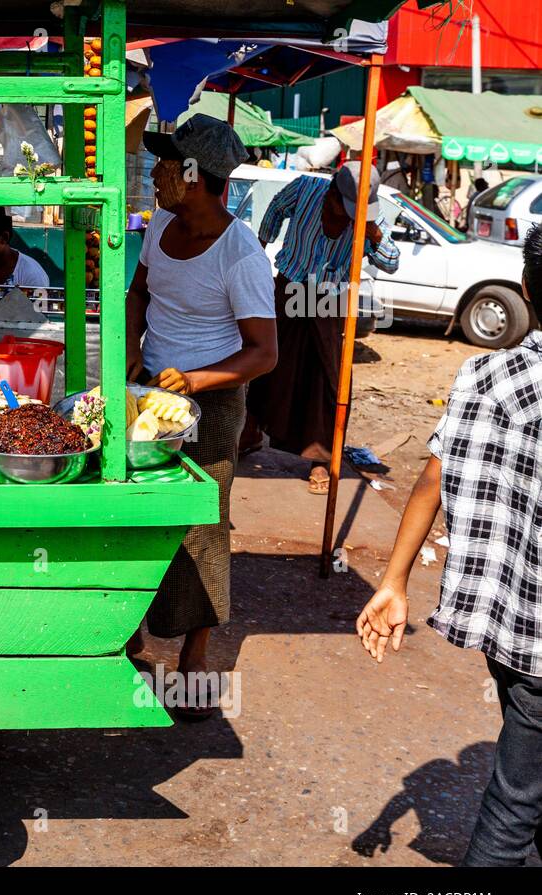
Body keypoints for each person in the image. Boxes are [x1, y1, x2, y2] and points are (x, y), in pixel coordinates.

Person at [357, 223, 542, 866]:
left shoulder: (481, 372)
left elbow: (433, 476)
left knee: (530, 779)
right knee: (515, 805)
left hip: (502, 627)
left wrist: (394, 581)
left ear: (526, 289)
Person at [125, 114, 277, 715]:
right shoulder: (160, 222)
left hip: (211, 403)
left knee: (203, 525)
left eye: (165, 164)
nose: (155, 172)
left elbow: (264, 353)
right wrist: (134, 353)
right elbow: (140, 291)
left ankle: (195, 657)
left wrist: (194, 380)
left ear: (193, 174)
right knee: (137, 511)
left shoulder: (240, 255)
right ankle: (129, 632)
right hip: (150, 388)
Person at [243, 163, 400, 493]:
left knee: (329, 379)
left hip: (331, 298)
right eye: (345, 207)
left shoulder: (371, 216)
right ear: (331, 194)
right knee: (266, 363)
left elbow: (392, 261)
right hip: (289, 288)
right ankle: (252, 430)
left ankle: (322, 459)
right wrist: (261, 245)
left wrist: (372, 232)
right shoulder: (305, 189)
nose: (349, 215)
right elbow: (275, 210)